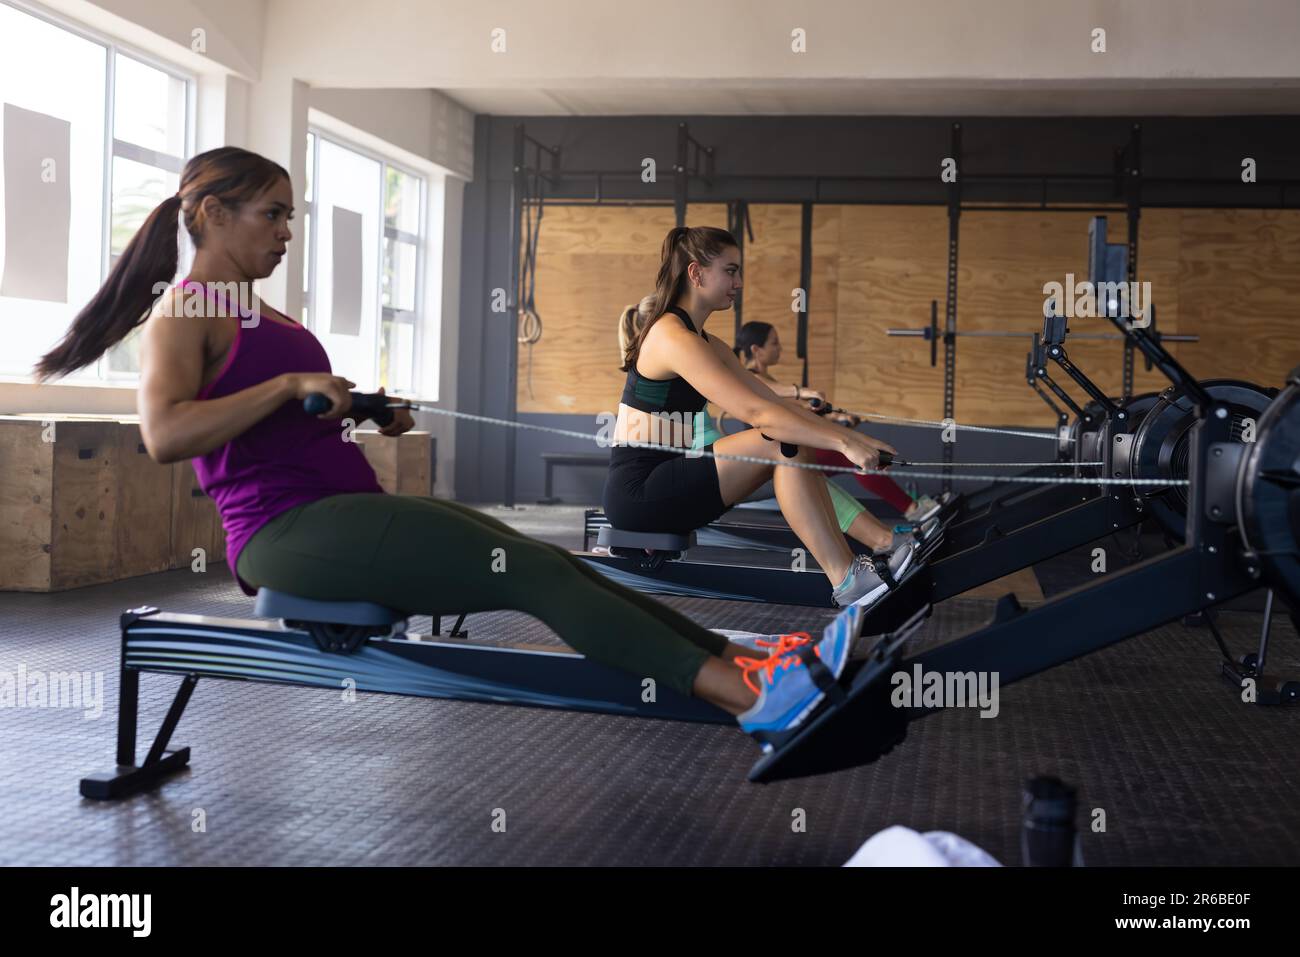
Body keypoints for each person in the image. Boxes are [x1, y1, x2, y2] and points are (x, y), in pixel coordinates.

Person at [32, 146, 849, 745]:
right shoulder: (189, 309)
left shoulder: (266, 315)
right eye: (272, 214)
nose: (287, 231)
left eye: (291, 215)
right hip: (286, 535)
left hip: (342, 509)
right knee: (531, 571)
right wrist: (287, 390)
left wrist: (359, 411)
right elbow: (166, 432)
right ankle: (753, 702)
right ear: (211, 214)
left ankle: (757, 668)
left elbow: (270, 423)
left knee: (552, 561)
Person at [604, 226, 915, 610]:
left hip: (674, 479)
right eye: (730, 271)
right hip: (641, 493)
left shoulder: (707, 342)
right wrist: (844, 443)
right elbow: (756, 414)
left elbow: (774, 404)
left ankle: (852, 573)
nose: (739, 282)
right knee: (778, 441)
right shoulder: (671, 336)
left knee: (790, 444)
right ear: (697, 274)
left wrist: (854, 438)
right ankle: (849, 576)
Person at [617, 298, 921, 555]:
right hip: (691, 466)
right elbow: (760, 400)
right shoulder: (674, 351)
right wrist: (831, 424)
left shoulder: (694, 349)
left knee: (798, 458)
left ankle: (870, 549)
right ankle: (883, 539)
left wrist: (845, 431)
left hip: (697, 463)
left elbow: (762, 393)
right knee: (789, 450)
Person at [732, 320, 943, 526]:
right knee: (857, 459)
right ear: (756, 350)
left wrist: (834, 418)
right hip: (780, 457)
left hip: (795, 447)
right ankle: (913, 510)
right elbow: (780, 399)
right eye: (774, 343)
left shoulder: (767, 379)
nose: (780, 348)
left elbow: (795, 411)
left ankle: (911, 509)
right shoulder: (752, 378)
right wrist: (801, 392)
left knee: (859, 456)